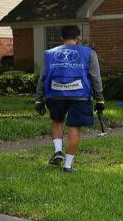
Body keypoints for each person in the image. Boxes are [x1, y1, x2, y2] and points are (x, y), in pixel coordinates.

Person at [34, 25, 105, 173]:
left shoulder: (49, 54)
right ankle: (67, 166)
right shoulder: (89, 53)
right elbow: (95, 78)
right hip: (80, 95)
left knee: (56, 121)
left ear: (61, 37)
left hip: (55, 94)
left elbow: (43, 78)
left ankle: (58, 150)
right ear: (79, 37)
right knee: (74, 128)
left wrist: (39, 99)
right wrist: (100, 99)